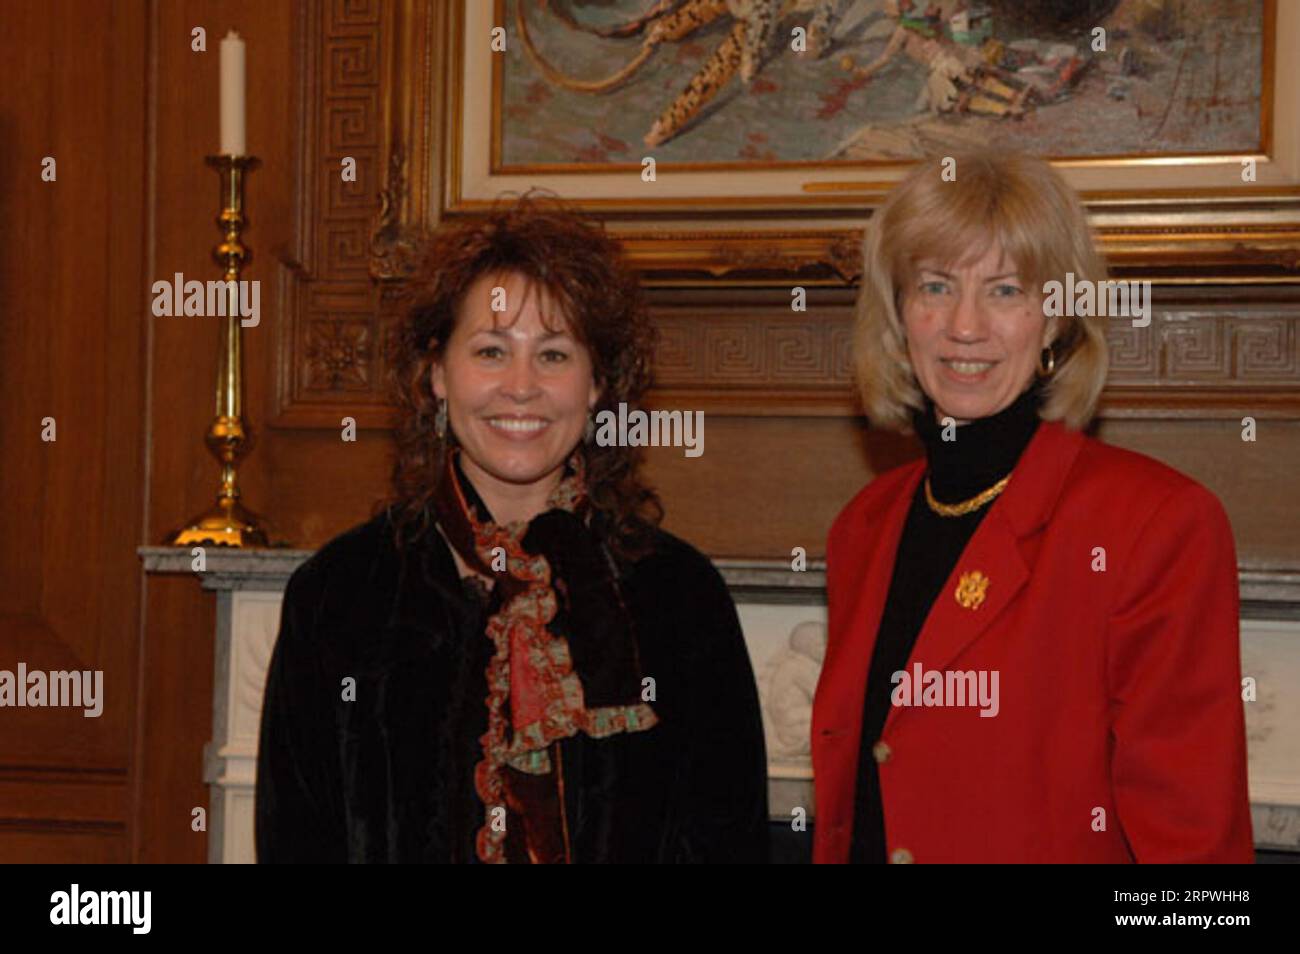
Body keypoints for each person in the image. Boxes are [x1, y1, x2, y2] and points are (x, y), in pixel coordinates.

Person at [256, 192, 768, 863]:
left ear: (596, 384)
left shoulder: (681, 598)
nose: (521, 386)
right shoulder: (339, 594)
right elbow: (295, 844)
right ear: (437, 374)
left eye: (554, 355)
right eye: (491, 351)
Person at [812, 150, 1253, 863]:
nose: (965, 326)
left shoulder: (1156, 526)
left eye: (1006, 290)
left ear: (1054, 321)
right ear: (898, 313)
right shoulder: (862, 527)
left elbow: (1196, 855)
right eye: (935, 286)